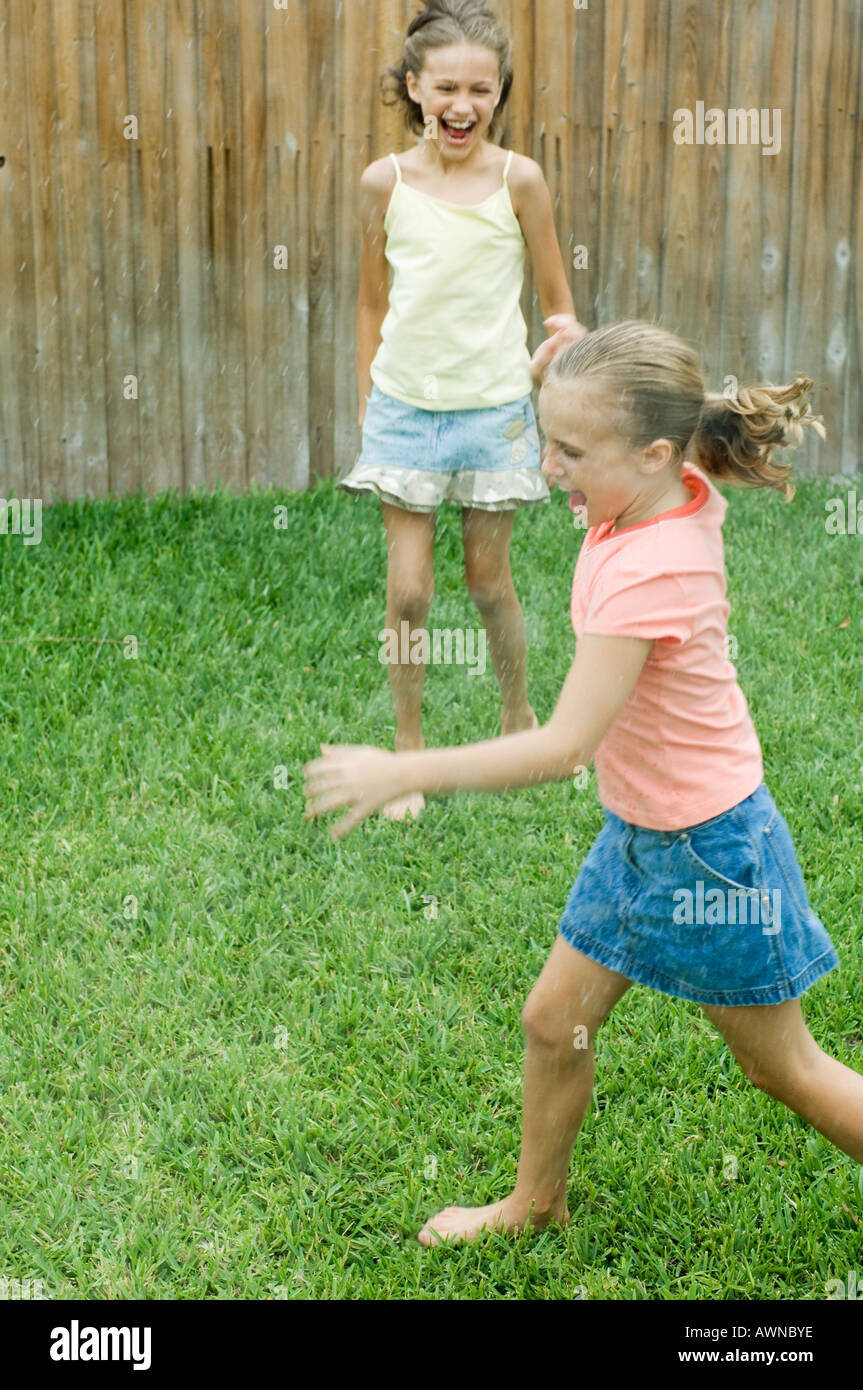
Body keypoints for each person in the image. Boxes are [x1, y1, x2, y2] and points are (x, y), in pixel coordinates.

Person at [306, 318, 863, 1248]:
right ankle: (534, 1206)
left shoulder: (651, 568)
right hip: (642, 838)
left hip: (711, 854)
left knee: (785, 1069)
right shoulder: (659, 483)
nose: (549, 468)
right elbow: (622, 405)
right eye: (545, 439)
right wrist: (567, 357)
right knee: (552, 1020)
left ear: (651, 453)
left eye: (568, 450)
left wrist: (406, 767)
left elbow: (563, 746)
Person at [339, 0, 586, 820]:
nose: (462, 105)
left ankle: (519, 718)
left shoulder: (520, 181)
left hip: (493, 415)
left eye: (480, 89)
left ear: (497, 93)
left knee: (488, 584)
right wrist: (372, 395)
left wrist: (563, 347)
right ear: (414, 88)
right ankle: (409, 751)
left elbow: (558, 305)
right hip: (407, 413)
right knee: (408, 590)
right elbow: (371, 305)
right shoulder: (385, 183)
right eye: (445, 86)